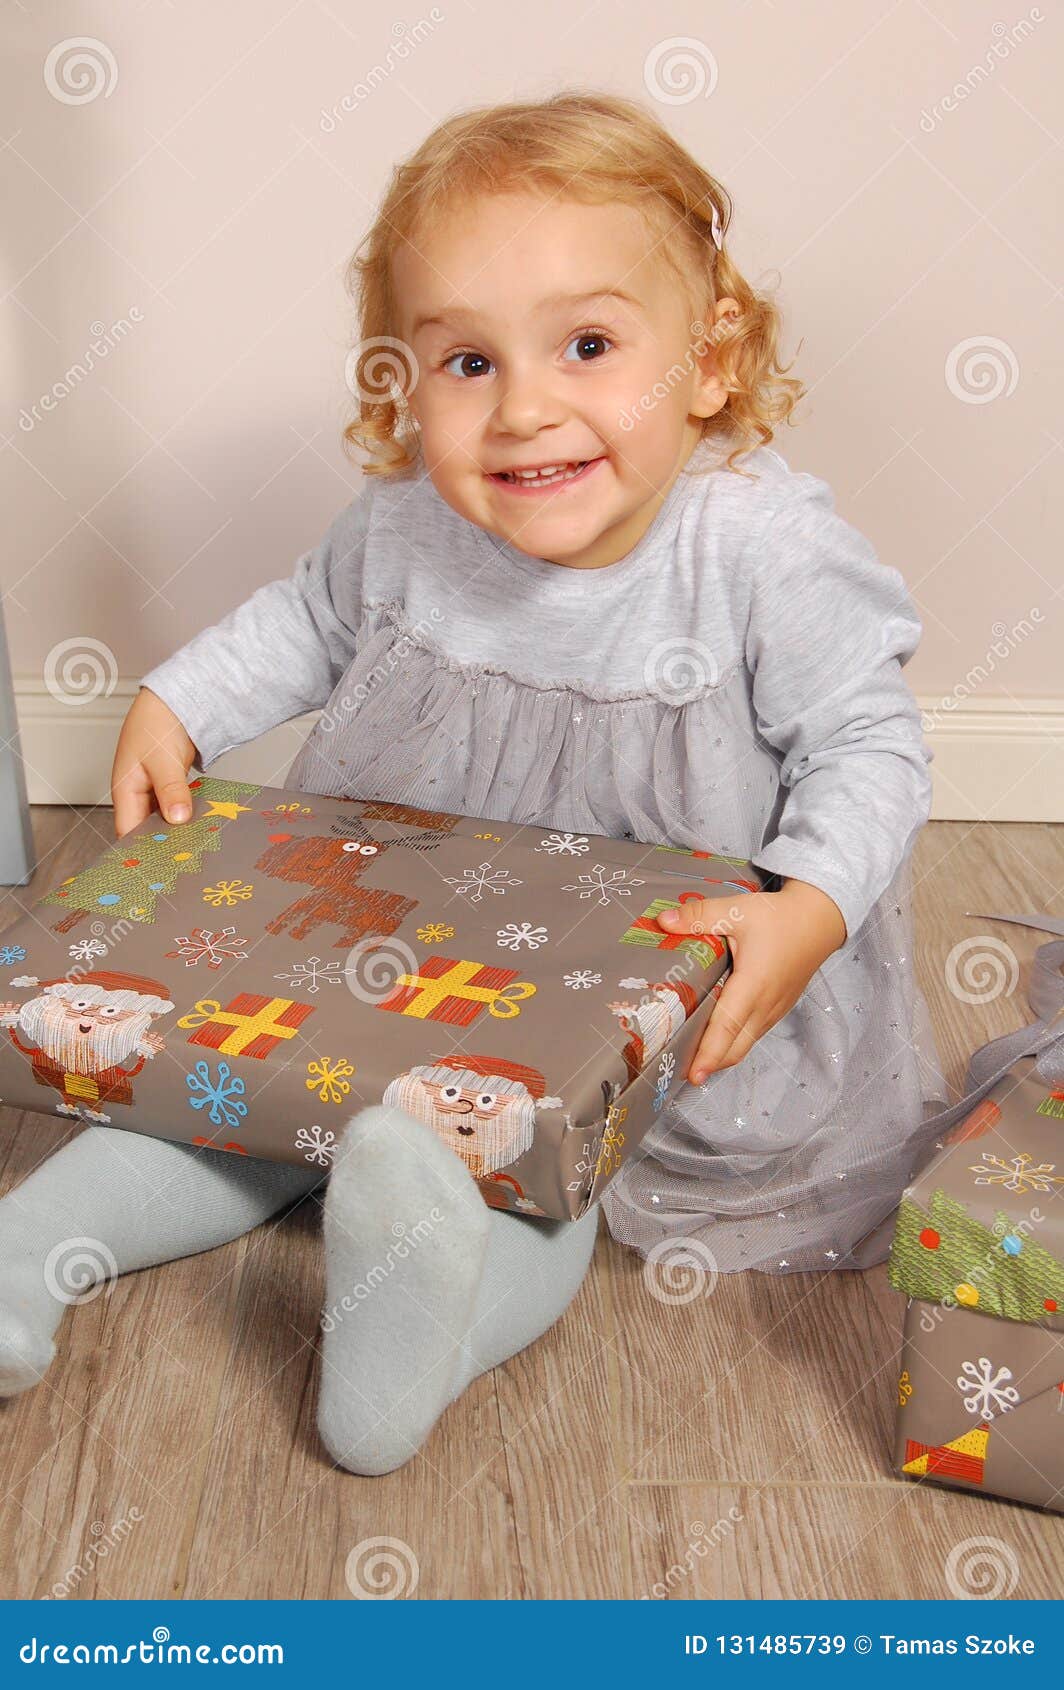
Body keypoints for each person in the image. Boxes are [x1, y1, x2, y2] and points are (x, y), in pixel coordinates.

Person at [0, 91, 944, 1475]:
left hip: (622, 989)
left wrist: (805, 904)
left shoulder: (757, 554)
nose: (524, 408)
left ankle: (418, 1335)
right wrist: (179, 698)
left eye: (587, 343)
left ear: (707, 354)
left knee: (545, 1176)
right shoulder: (408, 530)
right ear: (401, 380)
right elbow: (305, 621)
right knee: (231, 1099)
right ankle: (27, 1254)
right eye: (463, 362)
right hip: (384, 945)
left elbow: (872, 744)